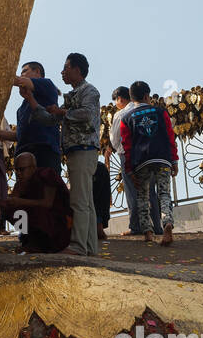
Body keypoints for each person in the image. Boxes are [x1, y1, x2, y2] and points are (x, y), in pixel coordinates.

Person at [45, 52, 100, 256]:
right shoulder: (75, 94)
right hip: (77, 149)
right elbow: (56, 117)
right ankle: (90, 247)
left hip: (84, 148)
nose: (62, 71)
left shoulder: (89, 91)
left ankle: (78, 246)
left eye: (66, 67)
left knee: (79, 200)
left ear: (78, 70)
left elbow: (86, 114)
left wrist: (61, 113)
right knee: (86, 201)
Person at [118, 80, 179, 246]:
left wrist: (129, 169)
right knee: (164, 193)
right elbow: (169, 136)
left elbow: (127, 145)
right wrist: (174, 160)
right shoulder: (161, 112)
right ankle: (167, 223)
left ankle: (148, 232)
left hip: (141, 161)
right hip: (162, 158)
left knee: (143, 195)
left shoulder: (126, 118)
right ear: (146, 96)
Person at [106, 85, 161, 235]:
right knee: (150, 191)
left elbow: (116, 138)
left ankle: (136, 227)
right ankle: (157, 226)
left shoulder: (120, 114)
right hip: (147, 155)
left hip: (128, 155)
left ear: (120, 99)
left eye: (116, 100)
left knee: (132, 192)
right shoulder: (144, 110)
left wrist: (117, 149)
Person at [0, 151, 72, 254]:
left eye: (22, 170)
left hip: (59, 225)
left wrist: (20, 201)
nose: (18, 173)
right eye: (16, 170)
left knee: (36, 210)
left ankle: (41, 245)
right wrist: (3, 203)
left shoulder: (46, 175)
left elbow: (48, 203)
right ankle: (31, 242)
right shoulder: (21, 184)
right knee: (13, 211)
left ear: (33, 167)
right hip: (40, 225)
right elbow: (12, 204)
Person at [9, 61, 61, 172]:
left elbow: (19, 81)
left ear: (37, 71)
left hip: (43, 149)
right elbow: (18, 134)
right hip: (23, 154)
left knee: (45, 186)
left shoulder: (46, 84)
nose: (21, 75)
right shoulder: (22, 108)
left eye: (24, 71)